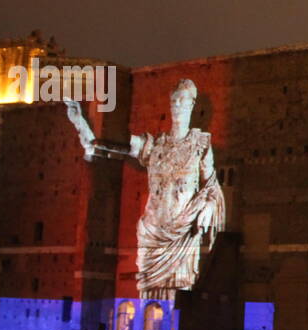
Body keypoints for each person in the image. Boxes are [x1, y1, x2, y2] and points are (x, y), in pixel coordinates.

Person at [64, 78, 225, 301]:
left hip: (182, 231)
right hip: (152, 231)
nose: (178, 105)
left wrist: (208, 204)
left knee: (178, 298)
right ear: (170, 105)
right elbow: (114, 142)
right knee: (147, 299)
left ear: (192, 105)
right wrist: (81, 123)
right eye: (175, 100)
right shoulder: (155, 145)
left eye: (183, 101)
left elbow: (211, 184)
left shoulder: (200, 145)